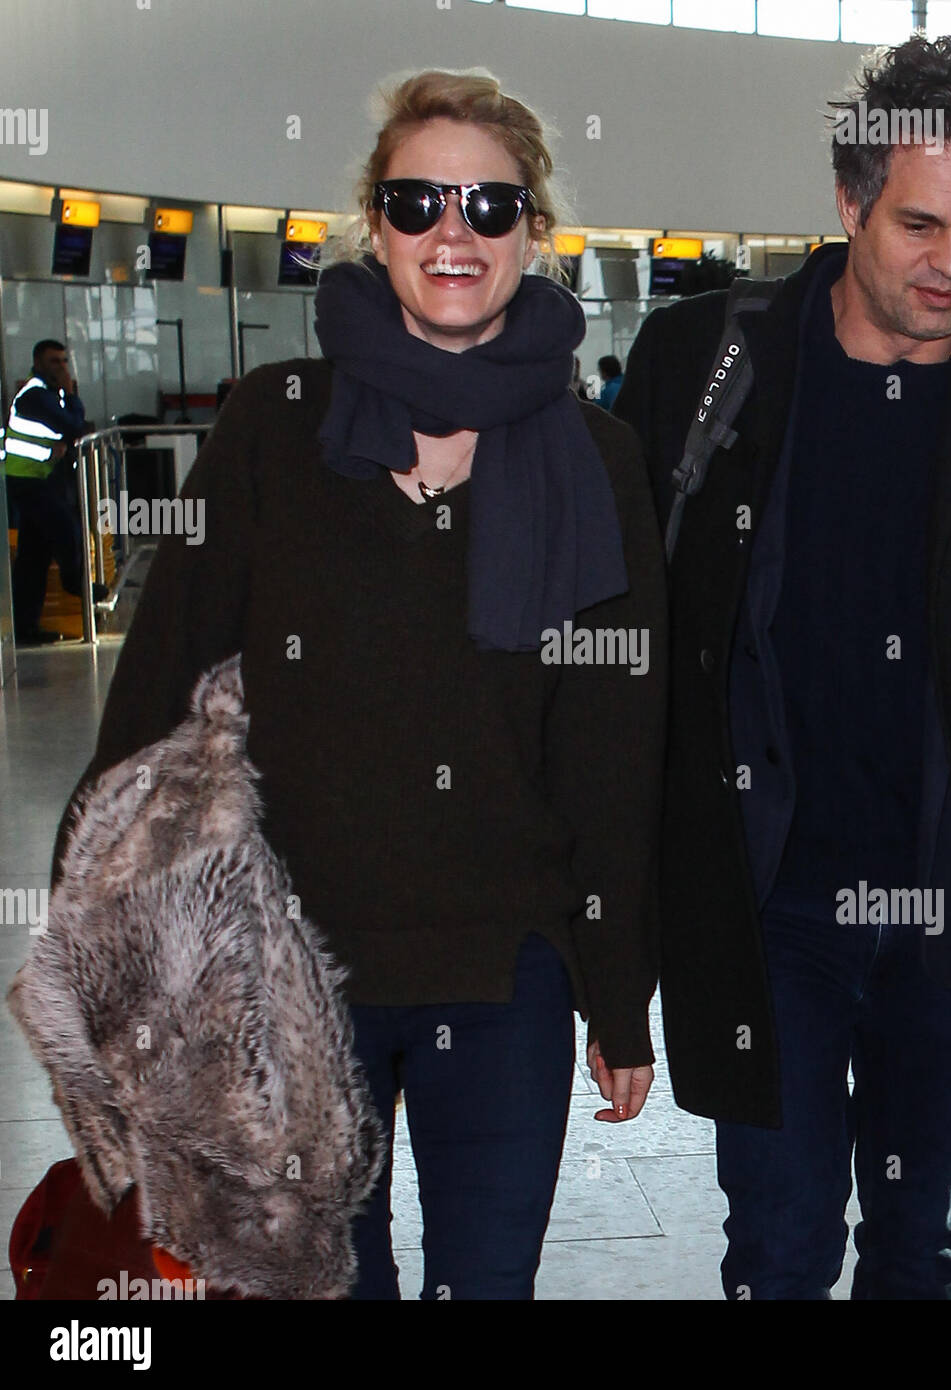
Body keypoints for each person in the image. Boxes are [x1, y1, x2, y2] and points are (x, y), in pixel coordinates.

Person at [51, 68, 666, 1300]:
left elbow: (616, 744)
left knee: (485, 1284)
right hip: (288, 975)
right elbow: (158, 690)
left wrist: (618, 995)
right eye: (418, 200)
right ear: (373, 224)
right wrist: (102, 948)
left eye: (491, 207)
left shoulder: (593, 454)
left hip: (507, 968)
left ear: (535, 233)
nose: (454, 231)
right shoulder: (277, 425)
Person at [614, 34, 951, 1300]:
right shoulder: (706, 364)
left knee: (919, 1248)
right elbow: (624, 650)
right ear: (849, 200)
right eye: (920, 224)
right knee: (782, 1243)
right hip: (769, 909)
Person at [2, 339, 92, 644]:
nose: (62, 367)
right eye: (55, 361)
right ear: (38, 363)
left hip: (39, 478)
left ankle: (26, 628)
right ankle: (74, 580)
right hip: (28, 481)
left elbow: (68, 428)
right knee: (65, 528)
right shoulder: (36, 396)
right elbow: (74, 427)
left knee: (33, 557)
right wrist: (72, 396)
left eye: (65, 361)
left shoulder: (51, 395)